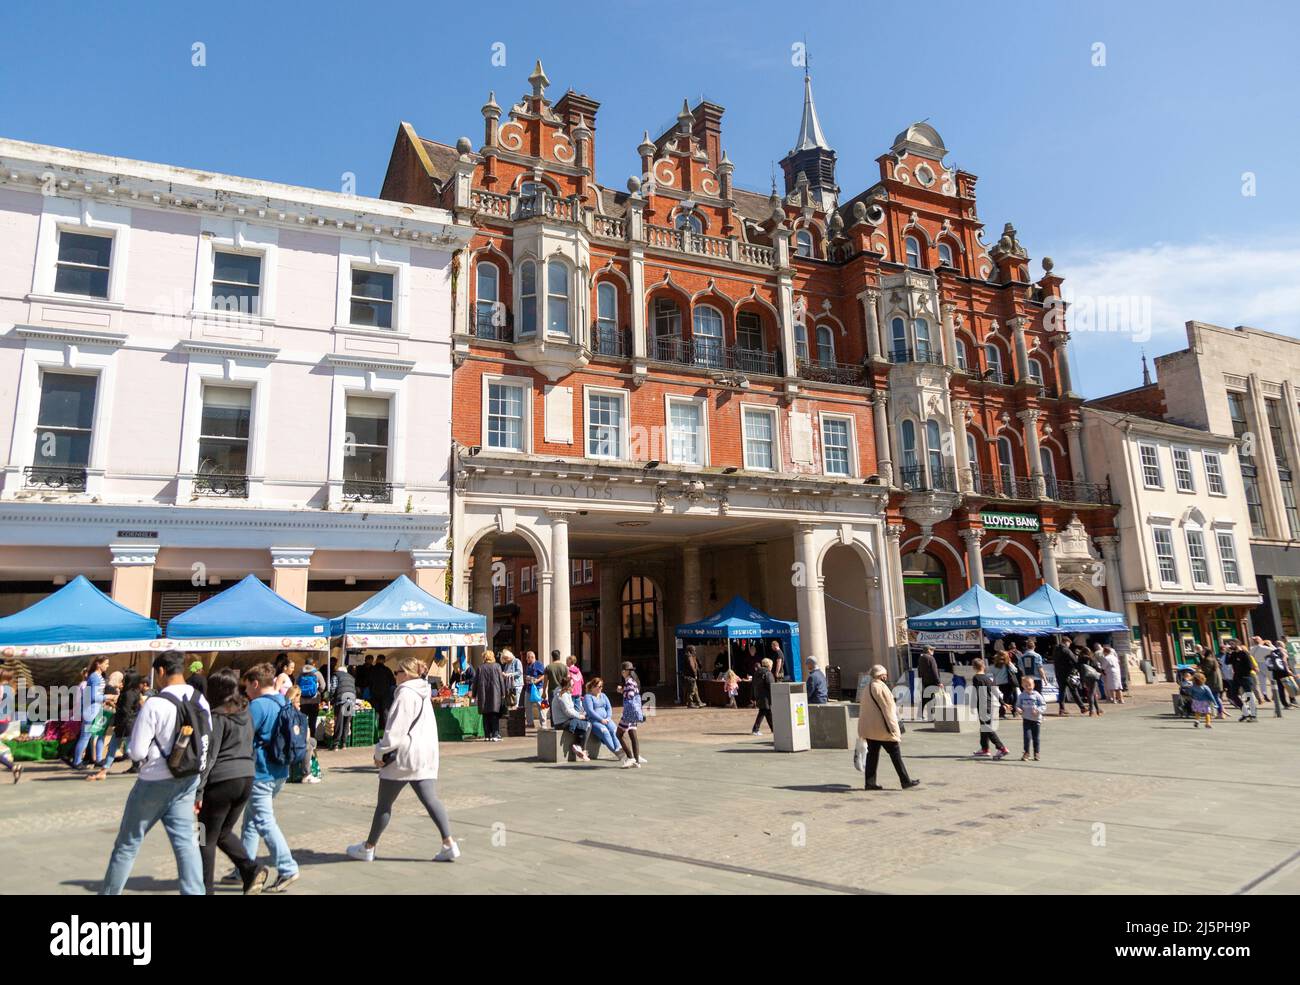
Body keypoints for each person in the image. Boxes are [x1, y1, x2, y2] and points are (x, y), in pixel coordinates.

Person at [100, 652, 210, 895]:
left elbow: (137, 751)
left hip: (154, 781)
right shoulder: (200, 700)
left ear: (161, 671)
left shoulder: (155, 703)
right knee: (186, 845)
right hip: (188, 778)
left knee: (128, 844)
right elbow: (206, 741)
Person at [346, 655, 460, 863]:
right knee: (431, 799)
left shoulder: (406, 693)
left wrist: (380, 752)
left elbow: (395, 730)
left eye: (397, 672)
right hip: (424, 754)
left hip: (404, 755)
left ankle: (368, 847)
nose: (395, 676)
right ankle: (449, 842)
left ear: (406, 674)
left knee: (384, 804)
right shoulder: (424, 691)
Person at [196, 667, 268, 895]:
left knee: (204, 836)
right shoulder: (245, 712)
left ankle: (204, 889)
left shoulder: (218, 716)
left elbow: (210, 755)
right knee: (223, 833)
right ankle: (251, 870)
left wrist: (198, 791)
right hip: (246, 777)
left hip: (221, 782)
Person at [238, 662, 299, 892]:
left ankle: (287, 867)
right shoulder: (283, 701)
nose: (245, 692)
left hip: (260, 771)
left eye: (247, 687)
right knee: (251, 821)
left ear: (255, 683)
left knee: (263, 821)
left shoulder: (258, 706)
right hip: (280, 771)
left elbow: (243, 737)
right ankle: (243, 867)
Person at [857, 663, 918, 790]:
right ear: (881, 675)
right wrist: (894, 729)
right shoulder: (881, 688)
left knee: (872, 755)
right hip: (883, 729)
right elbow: (888, 710)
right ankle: (905, 781)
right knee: (895, 754)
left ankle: (870, 782)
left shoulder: (867, 688)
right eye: (885, 674)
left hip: (870, 729)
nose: (886, 676)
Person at [582, 679, 633, 767]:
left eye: (601, 686)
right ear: (593, 687)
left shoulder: (603, 695)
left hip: (606, 719)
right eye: (598, 686)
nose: (600, 688)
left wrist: (608, 717)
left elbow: (609, 708)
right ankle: (618, 753)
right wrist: (601, 719)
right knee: (604, 732)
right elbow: (590, 711)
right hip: (594, 720)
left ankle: (619, 749)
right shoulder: (588, 697)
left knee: (614, 731)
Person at [72, 656, 109, 769]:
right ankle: (77, 762)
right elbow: (93, 696)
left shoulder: (96, 676)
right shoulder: (95, 677)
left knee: (95, 735)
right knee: (85, 736)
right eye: (106, 663)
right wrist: (107, 697)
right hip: (91, 710)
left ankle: (93, 759)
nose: (107, 665)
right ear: (99, 664)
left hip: (95, 710)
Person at [970, 657, 1009, 759]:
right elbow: (994, 691)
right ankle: (985, 749)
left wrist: (973, 705)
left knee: (986, 728)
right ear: (984, 666)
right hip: (988, 704)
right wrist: (1003, 702)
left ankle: (1001, 748)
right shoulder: (987, 678)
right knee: (984, 727)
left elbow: (975, 692)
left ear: (974, 667)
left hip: (982, 705)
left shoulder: (976, 678)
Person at [548, 677, 592, 761]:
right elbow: (568, 711)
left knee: (584, 723)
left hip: (566, 720)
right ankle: (582, 749)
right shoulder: (562, 695)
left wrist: (580, 714)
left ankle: (577, 745)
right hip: (562, 722)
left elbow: (571, 710)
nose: (573, 687)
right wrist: (579, 716)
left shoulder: (565, 694)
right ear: (566, 686)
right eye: (571, 685)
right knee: (588, 725)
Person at [285, 687, 320, 783]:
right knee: (308, 746)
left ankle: (307, 769)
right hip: (289, 742)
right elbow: (296, 733)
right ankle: (306, 774)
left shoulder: (292, 711)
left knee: (312, 741)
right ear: (293, 701)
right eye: (298, 702)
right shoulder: (290, 713)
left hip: (292, 739)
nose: (300, 704)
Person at [616, 662, 647, 765]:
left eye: (622, 671)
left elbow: (630, 695)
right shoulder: (635, 681)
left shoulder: (628, 681)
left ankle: (630, 757)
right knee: (632, 734)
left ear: (625, 671)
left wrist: (622, 690)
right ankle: (636, 759)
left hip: (628, 712)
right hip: (635, 712)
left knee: (619, 734)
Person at [472, 650, 506, 741]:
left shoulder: (480, 668)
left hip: (483, 694)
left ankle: (487, 735)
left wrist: (473, 694)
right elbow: (501, 680)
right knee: (494, 714)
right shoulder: (497, 666)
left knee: (485, 715)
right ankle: (495, 734)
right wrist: (503, 693)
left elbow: (475, 683)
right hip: (495, 694)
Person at [1016, 676, 1046, 762]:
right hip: (1026, 719)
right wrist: (1019, 709)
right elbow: (1018, 705)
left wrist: (1038, 711)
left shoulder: (1037, 695)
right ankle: (1026, 752)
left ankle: (1036, 753)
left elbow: (1043, 705)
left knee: (1036, 738)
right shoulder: (1021, 696)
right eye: (1025, 685)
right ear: (1022, 686)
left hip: (1036, 720)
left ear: (1033, 685)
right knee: (1027, 737)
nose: (1028, 687)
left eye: (1029, 685)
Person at [329, 660, 357, 750]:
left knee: (339, 722)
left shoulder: (336, 675)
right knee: (346, 722)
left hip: (342, 699)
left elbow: (333, 688)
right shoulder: (351, 677)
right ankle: (344, 744)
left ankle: (336, 744)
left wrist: (330, 697)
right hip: (351, 699)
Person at [296, 656, 326, 738]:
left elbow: (296, 685)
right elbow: (323, 686)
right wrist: (317, 692)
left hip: (303, 701)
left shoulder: (300, 673)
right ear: (313, 664)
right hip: (314, 701)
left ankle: (303, 738)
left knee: (303, 721)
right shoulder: (317, 673)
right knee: (312, 721)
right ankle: (312, 739)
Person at [1228, 644, 1258, 721]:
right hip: (1236, 677)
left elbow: (1250, 666)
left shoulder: (1244, 653)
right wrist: (1228, 652)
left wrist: (1243, 673)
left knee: (1249, 695)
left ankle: (1253, 715)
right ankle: (1245, 712)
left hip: (1245, 677)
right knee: (1233, 695)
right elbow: (1227, 662)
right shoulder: (1234, 654)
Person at [370, 655, 397, 735]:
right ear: (384, 661)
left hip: (374, 693)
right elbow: (393, 681)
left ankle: (375, 731)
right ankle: (386, 732)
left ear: (377, 660)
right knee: (385, 712)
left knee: (376, 711)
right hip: (386, 693)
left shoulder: (372, 669)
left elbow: (369, 680)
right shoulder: (387, 670)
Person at [915, 645, 941, 720]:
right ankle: (931, 715)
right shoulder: (930, 658)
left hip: (925, 681)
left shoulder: (921, 658)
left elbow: (919, 671)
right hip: (932, 681)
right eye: (932, 649)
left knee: (925, 698)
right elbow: (934, 671)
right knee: (932, 699)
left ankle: (920, 715)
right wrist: (938, 682)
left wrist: (921, 680)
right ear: (928, 650)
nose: (933, 651)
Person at [1076, 646, 1104, 716]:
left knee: (1092, 692)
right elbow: (1095, 667)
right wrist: (1101, 671)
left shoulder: (1079, 659)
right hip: (1092, 676)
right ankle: (1092, 710)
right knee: (1092, 693)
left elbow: (1078, 668)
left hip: (1085, 676)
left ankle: (1097, 709)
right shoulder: (1089, 658)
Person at [1266, 642, 1295, 709]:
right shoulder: (1282, 650)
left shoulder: (1272, 652)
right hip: (1284, 671)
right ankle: (1292, 701)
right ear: (1282, 645)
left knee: (1280, 688)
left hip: (1276, 672)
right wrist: (1288, 669)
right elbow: (1284, 660)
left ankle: (1285, 704)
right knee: (1290, 686)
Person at [750, 657, 775, 736]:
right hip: (766, 696)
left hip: (759, 695)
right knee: (763, 712)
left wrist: (753, 696)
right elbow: (771, 685)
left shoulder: (757, 672)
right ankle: (755, 729)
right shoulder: (768, 673)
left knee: (768, 712)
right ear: (769, 665)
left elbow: (753, 685)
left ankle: (774, 729)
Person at [992, 651, 1019, 717]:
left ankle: (1013, 712)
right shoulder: (1007, 663)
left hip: (1001, 684)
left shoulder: (995, 665)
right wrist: (1010, 663)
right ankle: (1002, 712)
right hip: (1009, 683)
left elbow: (994, 675)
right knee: (1012, 698)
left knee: (1009, 698)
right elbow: (1015, 670)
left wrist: (994, 683)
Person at [1249, 636, 1275, 704]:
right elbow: (1274, 650)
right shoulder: (1264, 647)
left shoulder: (1252, 649)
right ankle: (1274, 694)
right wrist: (1270, 644)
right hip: (1266, 663)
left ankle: (1264, 694)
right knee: (1272, 679)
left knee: (1262, 681)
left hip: (1257, 665)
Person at [524, 651, 547, 728]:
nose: (526, 659)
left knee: (541, 706)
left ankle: (543, 724)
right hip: (529, 689)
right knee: (527, 706)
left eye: (527, 657)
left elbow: (544, 675)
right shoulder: (528, 665)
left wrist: (537, 680)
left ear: (532, 657)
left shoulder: (538, 664)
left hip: (538, 688)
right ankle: (530, 723)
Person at [501, 648, 524, 714]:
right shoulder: (507, 664)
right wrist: (503, 674)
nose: (506, 661)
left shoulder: (517, 661)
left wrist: (509, 674)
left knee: (515, 702)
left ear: (509, 656)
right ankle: (512, 717)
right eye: (505, 660)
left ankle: (515, 717)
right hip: (509, 686)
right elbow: (505, 672)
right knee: (510, 702)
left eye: (506, 659)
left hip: (516, 685)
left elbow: (519, 672)